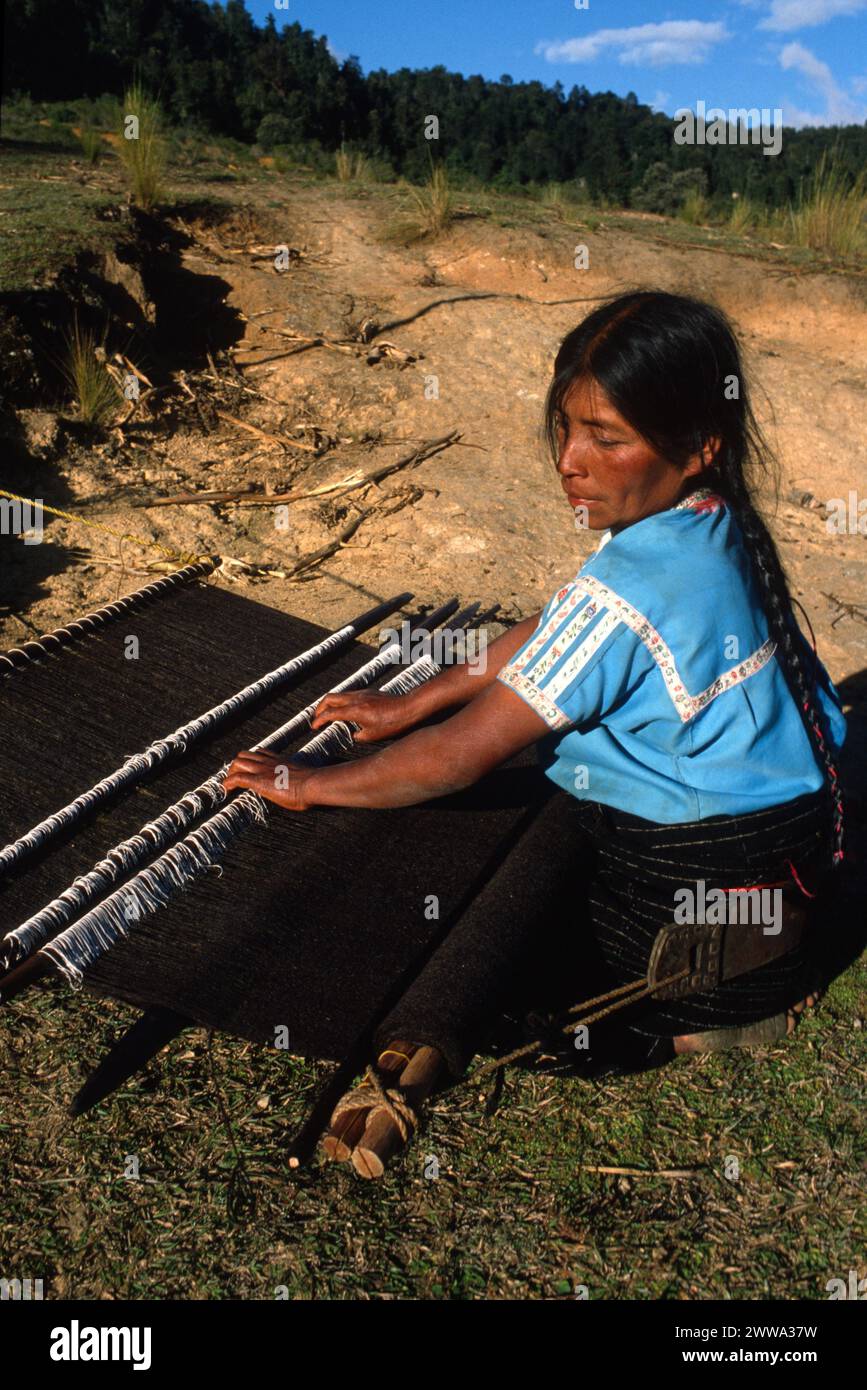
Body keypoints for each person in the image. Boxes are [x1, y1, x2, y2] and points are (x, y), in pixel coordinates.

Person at [225, 289, 847, 1071]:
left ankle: (700, 1015)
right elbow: (558, 633)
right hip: (780, 830)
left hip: (700, 861)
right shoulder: (711, 521)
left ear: (696, 447)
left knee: (518, 956)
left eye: (604, 438)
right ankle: (751, 966)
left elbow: (456, 757)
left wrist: (310, 783)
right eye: (564, 426)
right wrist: (413, 701)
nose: (567, 461)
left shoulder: (629, 587)